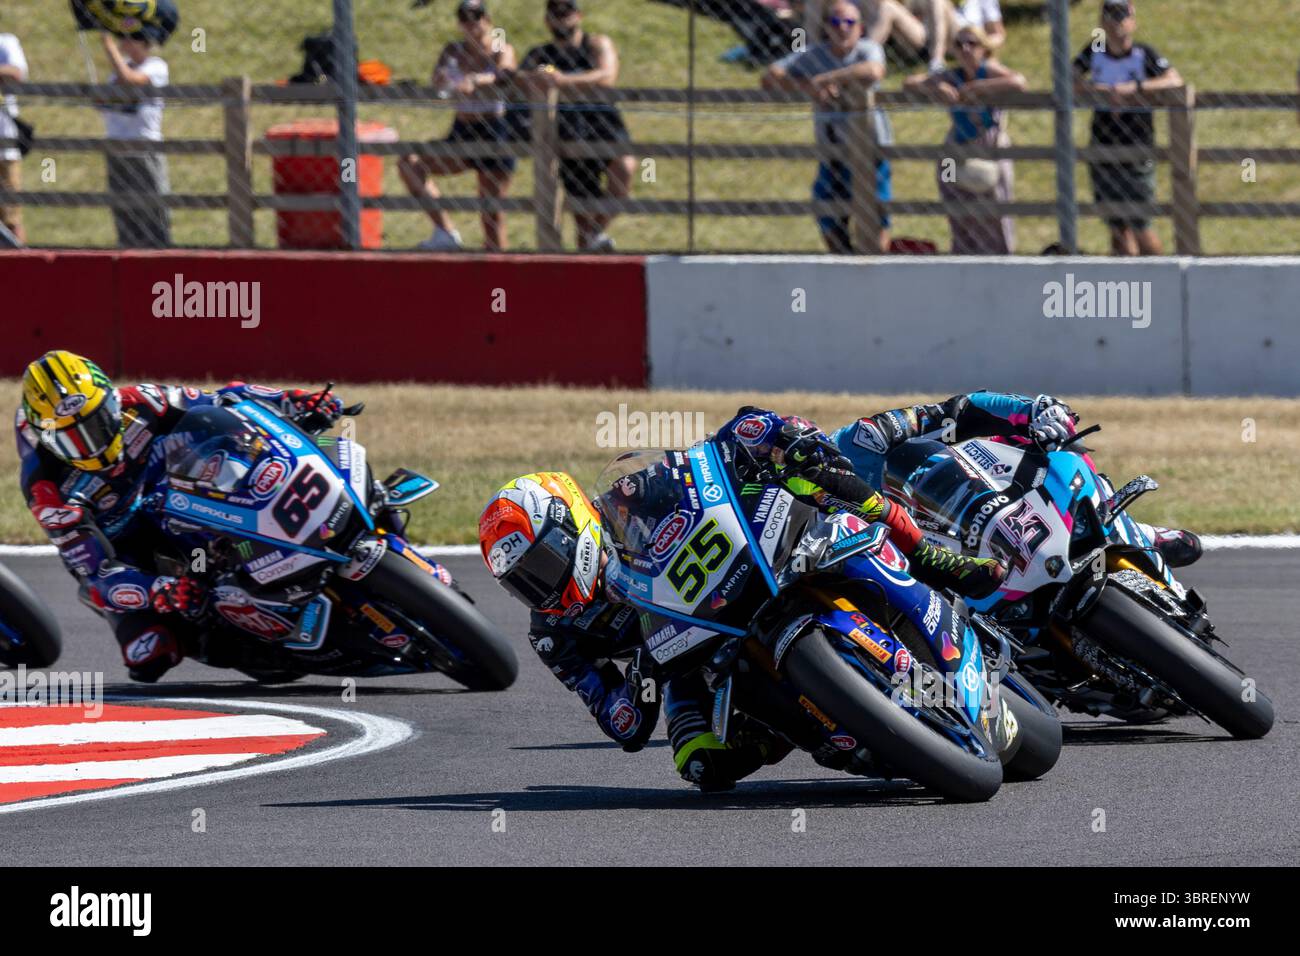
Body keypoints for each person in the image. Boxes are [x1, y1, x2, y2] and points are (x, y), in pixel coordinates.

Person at [478, 411, 1006, 792]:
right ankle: (820, 729)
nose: (539, 589)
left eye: (540, 567)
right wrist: (643, 668)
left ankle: (928, 556)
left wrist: (761, 437)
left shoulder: (634, 492)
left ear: (570, 526)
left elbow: (711, 462)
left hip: (750, 564)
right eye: (521, 582)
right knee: (702, 764)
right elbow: (622, 724)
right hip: (688, 659)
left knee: (810, 470)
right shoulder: (554, 634)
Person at [16, 350, 346, 681]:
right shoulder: (47, 489)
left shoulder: (142, 401)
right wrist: (161, 589)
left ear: (111, 403)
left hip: (177, 493)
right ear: (46, 437)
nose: (92, 446)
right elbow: (98, 576)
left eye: (98, 423)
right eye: (71, 439)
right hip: (125, 545)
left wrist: (294, 400)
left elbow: (224, 399)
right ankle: (234, 638)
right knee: (148, 654)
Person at [827, 390, 1203, 567]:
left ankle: (1130, 532)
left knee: (1049, 449)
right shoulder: (797, 526)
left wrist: (1031, 411)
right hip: (934, 558)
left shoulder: (862, 440)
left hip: (976, 496)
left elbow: (961, 410)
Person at [762, 0, 894, 252]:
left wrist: (826, 80)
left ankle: (875, 271)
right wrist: (808, 87)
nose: (842, 28)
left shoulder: (868, 49)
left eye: (849, 22)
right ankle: (842, 266)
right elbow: (770, 77)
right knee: (826, 210)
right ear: (826, 27)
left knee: (875, 216)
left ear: (860, 28)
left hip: (871, 151)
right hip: (833, 153)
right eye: (835, 22)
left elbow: (873, 72)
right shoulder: (814, 54)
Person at [398, 0, 517, 252]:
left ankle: (500, 280)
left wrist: (476, 80)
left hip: (492, 132)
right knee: (410, 162)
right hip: (462, 132)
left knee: (492, 217)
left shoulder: (497, 45)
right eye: (465, 18)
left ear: (487, 20)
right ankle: (446, 232)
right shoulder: (453, 50)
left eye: (477, 16)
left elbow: (506, 72)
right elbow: (438, 78)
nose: (472, 23)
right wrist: (443, 80)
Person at [517, 0, 635, 252]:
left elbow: (606, 75)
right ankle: (586, 258)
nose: (562, 18)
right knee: (582, 211)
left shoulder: (596, 44)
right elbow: (519, 77)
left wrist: (562, 81)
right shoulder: (541, 54)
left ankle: (596, 233)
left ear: (578, 15)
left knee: (624, 170)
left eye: (566, 12)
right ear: (547, 20)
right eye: (555, 13)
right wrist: (535, 77)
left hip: (604, 125)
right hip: (568, 131)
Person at [1072, 0, 1183, 257]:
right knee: (1116, 225)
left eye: (1122, 14)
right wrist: (1100, 92)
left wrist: (1135, 89)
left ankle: (1157, 272)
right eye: (1110, 14)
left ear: (1133, 19)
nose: (1116, 21)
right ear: (1101, 21)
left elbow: (1174, 80)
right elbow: (1069, 77)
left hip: (1137, 144)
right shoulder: (1095, 50)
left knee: (1140, 222)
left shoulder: (1143, 54)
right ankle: (1123, 278)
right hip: (1104, 144)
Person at [904, 24, 1023, 253]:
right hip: (956, 146)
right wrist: (936, 86)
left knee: (996, 206)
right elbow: (909, 82)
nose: (966, 49)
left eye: (972, 43)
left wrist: (979, 88)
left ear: (983, 48)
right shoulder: (951, 75)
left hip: (989, 143)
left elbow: (1018, 82)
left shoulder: (989, 69)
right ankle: (961, 250)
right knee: (952, 193)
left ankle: (1001, 256)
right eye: (959, 44)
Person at [98, 31, 171, 248]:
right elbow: (107, 100)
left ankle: (159, 253)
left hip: (143, 147)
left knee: (152, 208)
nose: (124, 42)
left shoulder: (156, 66)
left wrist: (109, 47)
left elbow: (131, 81)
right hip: (117, 148)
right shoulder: (115, 74)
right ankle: (127, 250)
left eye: (130, 38)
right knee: (124, 210)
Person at [0, 26, 27, 244]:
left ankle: (20, 267)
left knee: (12, 217)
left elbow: (17, 73)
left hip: (4, 144)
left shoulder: (6, 41)